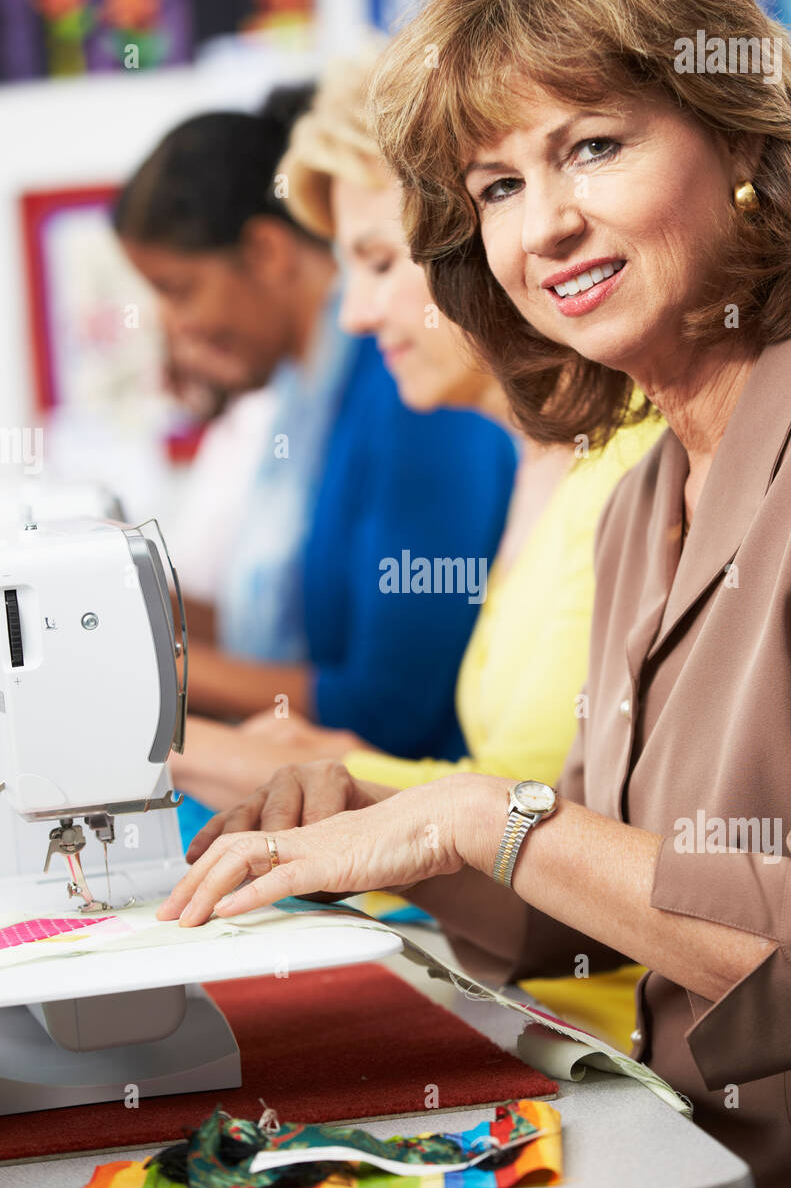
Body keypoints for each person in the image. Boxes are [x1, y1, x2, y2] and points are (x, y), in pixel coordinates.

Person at [155, 0, 791, 1188]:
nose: (543, 225)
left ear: (747, 147)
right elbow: (602, 914)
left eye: (592, 144)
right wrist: (375, 823)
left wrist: (487, 814)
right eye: (495, 185)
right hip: (694, 1174)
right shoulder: (648, 483)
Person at [171, 48, 664, 1050]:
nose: (354, 314)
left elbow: (615, 850)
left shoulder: (638, 470)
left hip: (618, 1033)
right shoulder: (542, 470)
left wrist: (173, 741)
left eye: (380, 262)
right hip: (529, 996)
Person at [113, 89, 517, 773]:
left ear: (267, 252)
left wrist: (149, 673)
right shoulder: (306, 396)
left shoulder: (408, 386)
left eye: (179, 288)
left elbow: (389, 704)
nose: (169, 326)